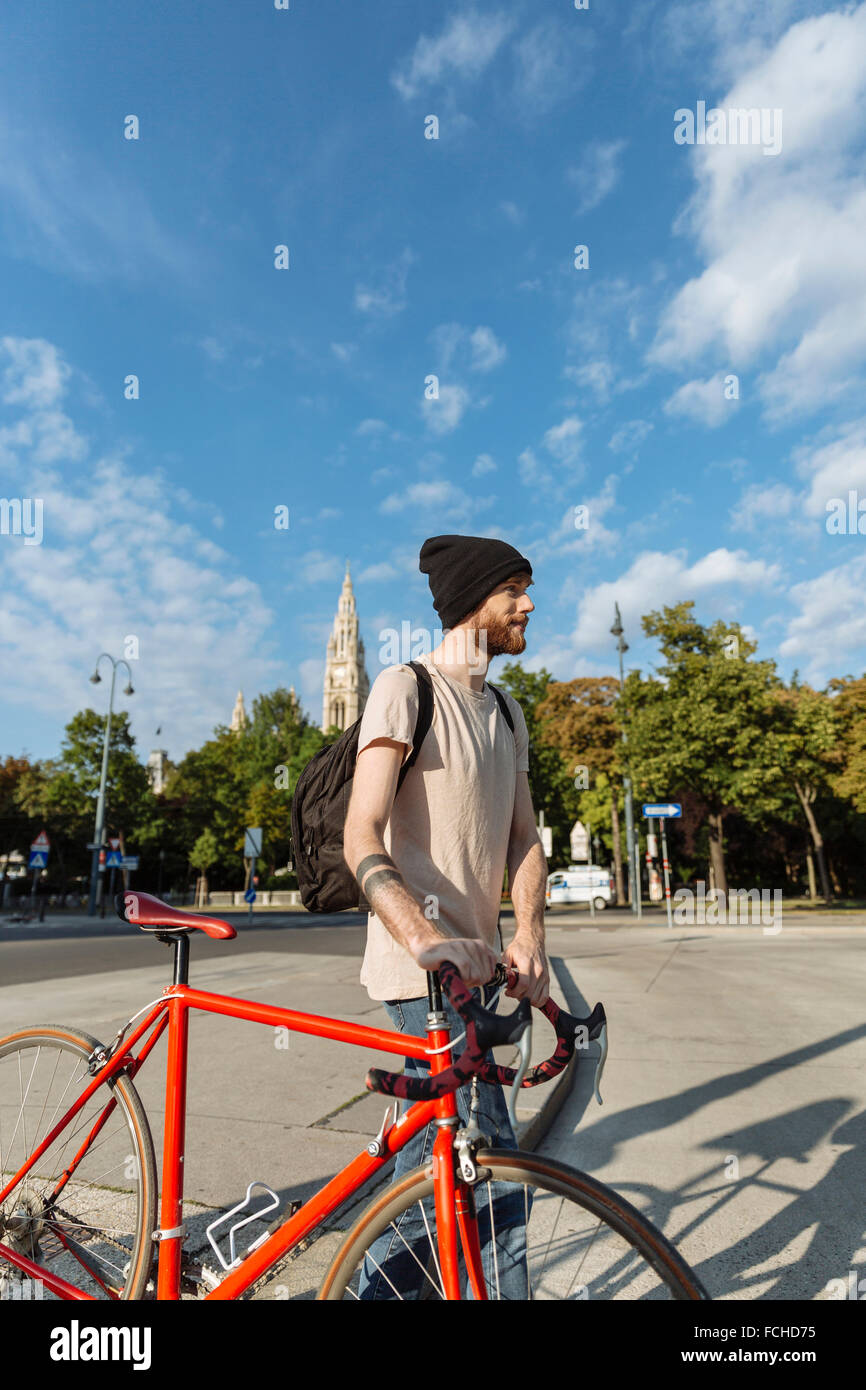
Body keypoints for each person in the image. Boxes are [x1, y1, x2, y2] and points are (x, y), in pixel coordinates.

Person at [343, 533, 549, 1298]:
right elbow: (360, 834)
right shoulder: (405, 687)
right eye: (515, 590)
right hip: (417, 975)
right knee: (493, 1169)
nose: (530, 604)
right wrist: (427, 939)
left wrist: (527, 935)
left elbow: (526, 840)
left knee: (429, 1171)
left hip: (480, 977)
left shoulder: (506, 710)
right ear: (473, 601)